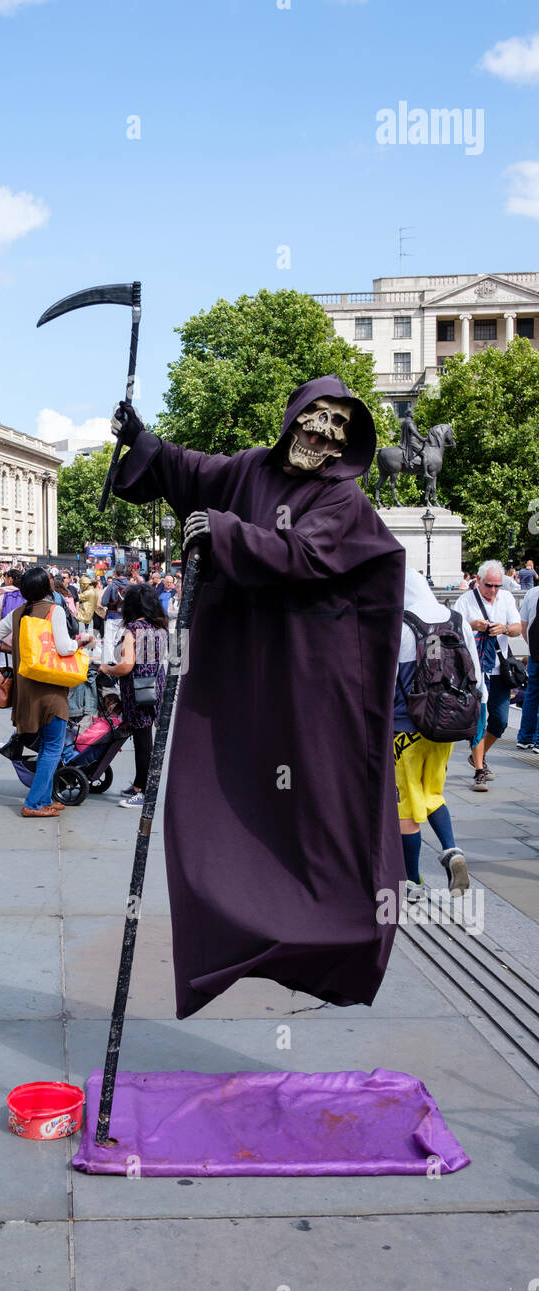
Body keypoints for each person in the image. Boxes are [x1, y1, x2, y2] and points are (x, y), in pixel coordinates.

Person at [110, 376, 406, 1018]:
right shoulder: (247, 470)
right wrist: (141, 439)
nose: (321, 436)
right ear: (294, 416)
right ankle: (229, 927)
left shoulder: (344, 501)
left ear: (347, 444)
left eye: (337, 429)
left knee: (307, 810)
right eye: (314, 419)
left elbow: (303, 555)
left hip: (301, 678)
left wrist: (223, 535)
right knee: (205, 809)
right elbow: (189, 470)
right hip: (238, 665)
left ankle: (327, 928)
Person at [394, 570, 481, 899]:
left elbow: (386, 680)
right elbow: (476, 676)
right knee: (432, 793)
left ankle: (413, 883)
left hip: (406, 727)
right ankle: (452, 851)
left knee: (405, 806)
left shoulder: (402, 625)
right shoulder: (457, 620)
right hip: (445, 725)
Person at [0, 565, 94, 816]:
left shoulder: (19, 612)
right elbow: (66, 648)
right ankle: (33, 804)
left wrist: (18, 653)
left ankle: (44, 799)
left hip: (26, 688)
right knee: (54, 746)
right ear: (46, 587)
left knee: (46, 745)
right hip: (49, 687)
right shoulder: (53, 611)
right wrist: (84, 641)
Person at [99, 583, 169, 808]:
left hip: (137, 692)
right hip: (154, 688)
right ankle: (139, 784)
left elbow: (126, 666)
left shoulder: (133, 631)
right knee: (143, 738)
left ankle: (145, 792)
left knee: (142, 742)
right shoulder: (159, 628)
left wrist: (107, 669)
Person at [454, 560, 521, 781]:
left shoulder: (507, 599)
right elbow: (452, 631)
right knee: (478, 720)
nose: (493, 590)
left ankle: (479, 757)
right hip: (475, 671)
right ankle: (479, 770)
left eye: (497, 586)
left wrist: (505, 629)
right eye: (489, 585)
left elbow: (518, 627)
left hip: (499, 669)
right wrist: (472, 626)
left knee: (500, 721)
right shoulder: (465, 601)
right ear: (478, 581)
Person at [516, 581, 539, 753]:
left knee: (531, 694)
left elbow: (523, 626)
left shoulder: (532, 593)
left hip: (535, 653)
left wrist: (531, 646)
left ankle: (525, 738)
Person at [101, 562, 129, 664]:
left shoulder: (112, 585)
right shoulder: (130, 585)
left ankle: (110, 663)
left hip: (112, 616)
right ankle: (120, 661)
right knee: (121, 641)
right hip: (125, 617)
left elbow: (103, 602)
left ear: (115, 572)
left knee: (109, 641)